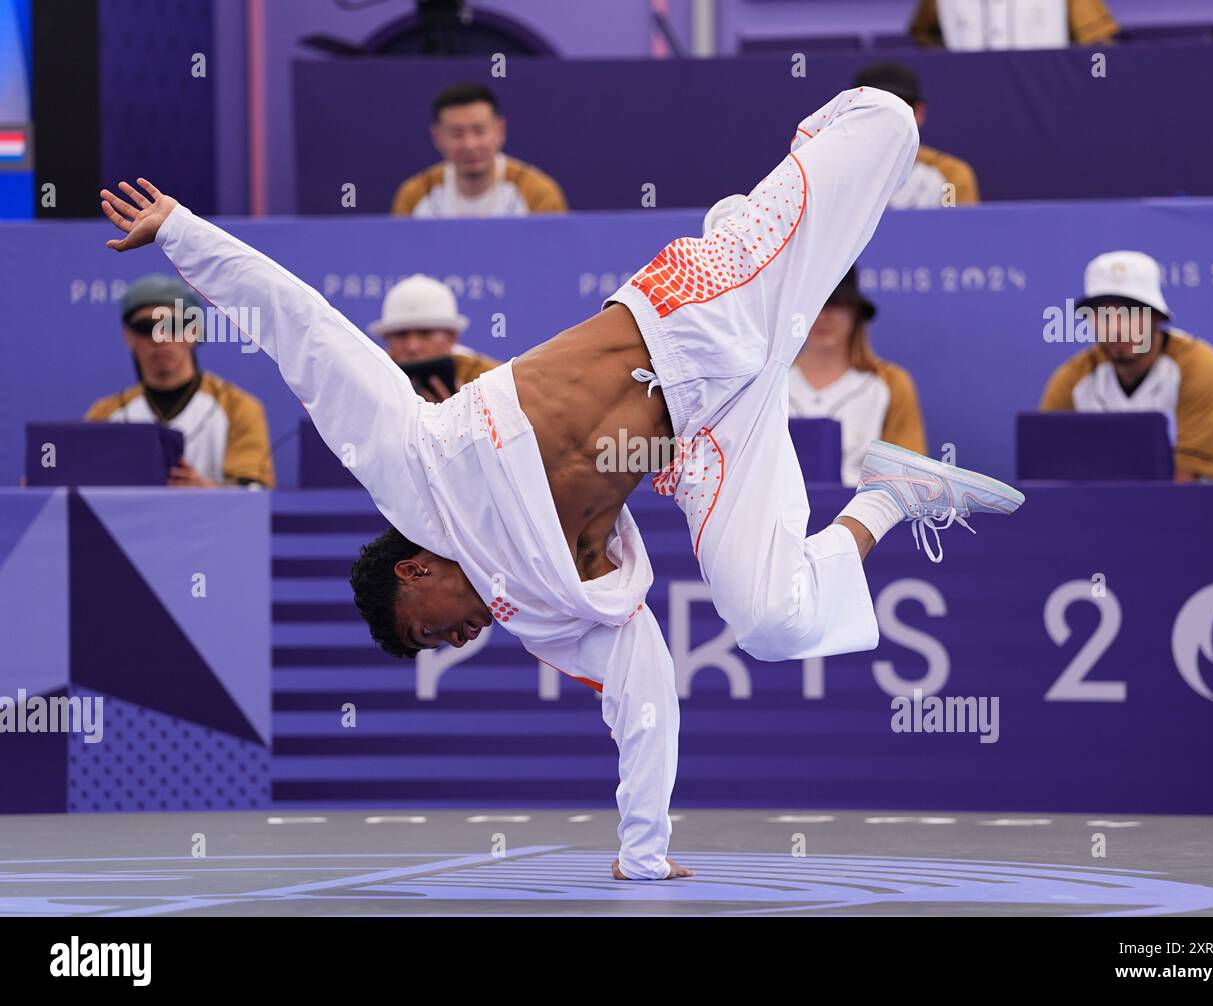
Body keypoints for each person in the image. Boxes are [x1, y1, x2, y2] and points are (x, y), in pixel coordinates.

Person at [99, 87, 1024, 882]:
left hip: (696, 318)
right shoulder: (534, 608)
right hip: (707, 434)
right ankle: (893, 497)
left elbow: (307, 333)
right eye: (444, 649)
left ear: (413, 572)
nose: (459, 639)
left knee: (890, 124)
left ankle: (766, 192)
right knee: (776, 622)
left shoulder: (410, 465)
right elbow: (645, 693)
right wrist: (644, 851)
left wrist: (182, 234)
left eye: (433, 631)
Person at [1040, 250, 1213, 483]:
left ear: (1157, 317)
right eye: (1104, 316)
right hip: (1112, 512)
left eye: (1130, 314)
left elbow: (1185, 484)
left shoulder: (1201, 368)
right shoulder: (1071, 380)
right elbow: (1049, 470)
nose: (1117, 328)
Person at [84, 274, 275, 488]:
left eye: (172, 326)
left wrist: (206, 490)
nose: (160, 338)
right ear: (128, 337)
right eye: (146, 327)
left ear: (194, 332)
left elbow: (257, 492)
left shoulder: (237, 408)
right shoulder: (104, 416)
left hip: (210, 521)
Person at [790, 268, 927, 486]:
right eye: (814, 303)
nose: (823, 316)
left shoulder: (890, 383)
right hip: (777, 517)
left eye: (835, 304)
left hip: (862, 516)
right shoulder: (769, 382)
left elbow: (909, 481)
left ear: (855, 313)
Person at [390, 82, 567, 219]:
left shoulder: (537, 192)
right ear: (437, 137)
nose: (470, 145)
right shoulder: (414, 195)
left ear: (500, 130)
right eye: (457, 134)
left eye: (479, 131)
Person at [852, 62, 978, 208]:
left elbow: (960, 229)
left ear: (919, 112)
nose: (885, 120)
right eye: (874, 109)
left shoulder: (950, 177)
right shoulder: (832, 173)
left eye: (899, 108)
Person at [369, 274, 498, 402]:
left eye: (425, 333)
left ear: (451, 337)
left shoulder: (490, 380)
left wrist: (467, 416)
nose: (412, 346)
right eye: (401, 334)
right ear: (387, 339)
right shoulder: (368, 379)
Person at [908, 0, 1118, 50]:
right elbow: (925, 38)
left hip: (1045, 100)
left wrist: (1095, 82)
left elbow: (1099, 46)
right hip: (972, 100)